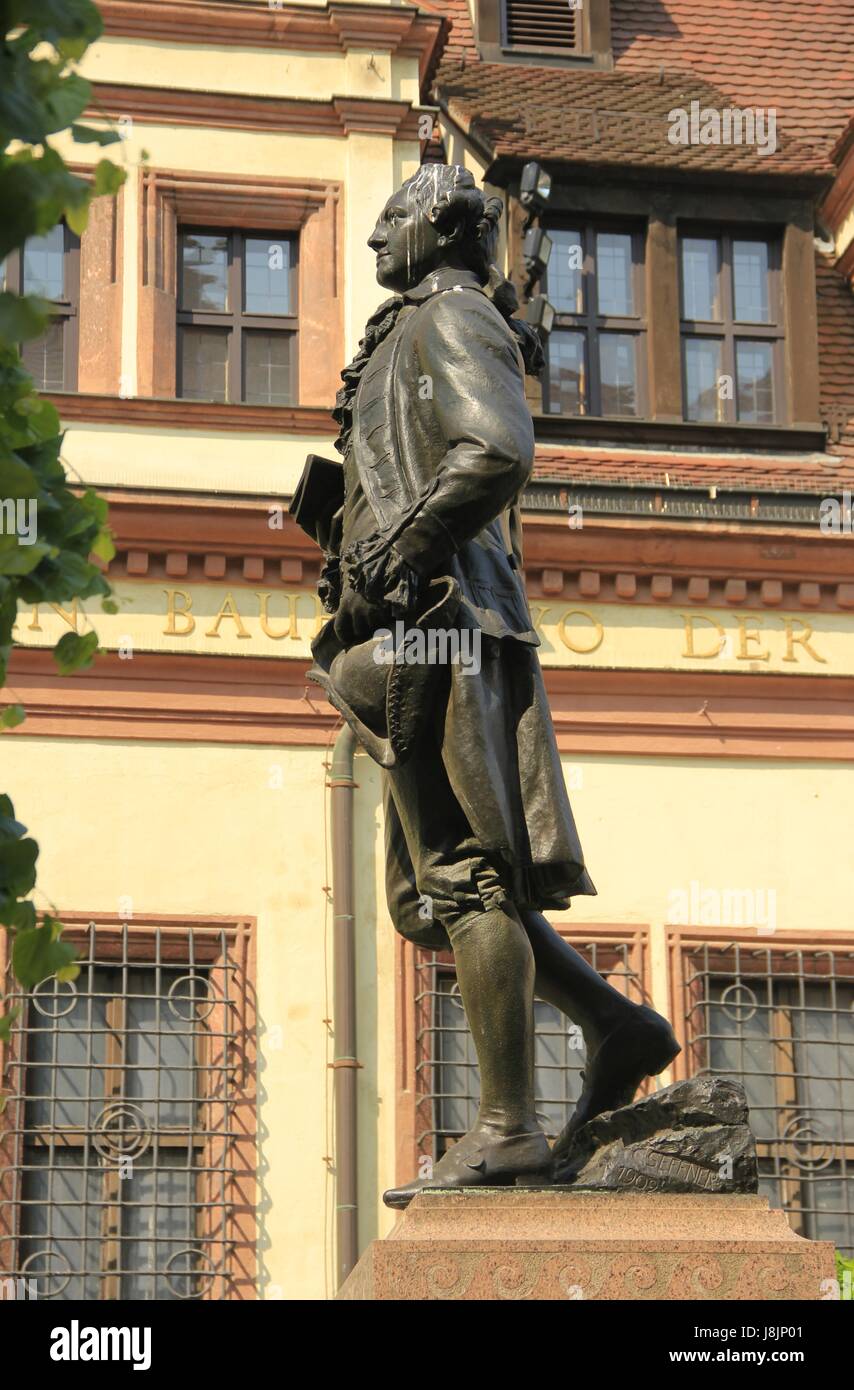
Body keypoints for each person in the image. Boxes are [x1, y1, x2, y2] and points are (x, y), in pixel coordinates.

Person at [307, 164, 679, 1207]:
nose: (374, 237)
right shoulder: (415, 324)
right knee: (451, 886)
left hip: (444, 629)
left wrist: (403, 547)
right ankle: (616, 1024)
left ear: (439, 224)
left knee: (465, 875)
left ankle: (508, 1128)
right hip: (414, 630)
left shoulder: (451, 314)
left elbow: (494, 450)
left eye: (389, 219)